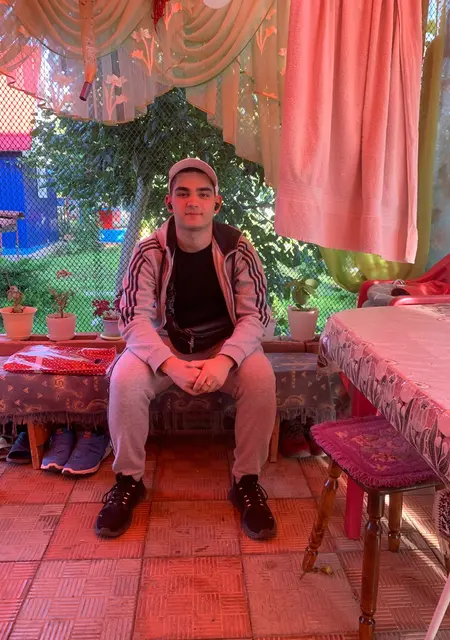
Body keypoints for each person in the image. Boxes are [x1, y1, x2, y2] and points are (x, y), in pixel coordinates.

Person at [95, 158, 277, 540]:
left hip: (223, 345)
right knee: (126, 379)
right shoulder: (149, 251)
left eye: (203, 194)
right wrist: (171, 365)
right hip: (165, 344)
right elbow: (133, 319)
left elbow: (255, 316)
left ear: (217, 203)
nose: (193, 201)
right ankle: (129, 481)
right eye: (183, 193)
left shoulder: (237, 248)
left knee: (260, 378)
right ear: (169, 202)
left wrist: (225, 361)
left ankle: (246, 482)